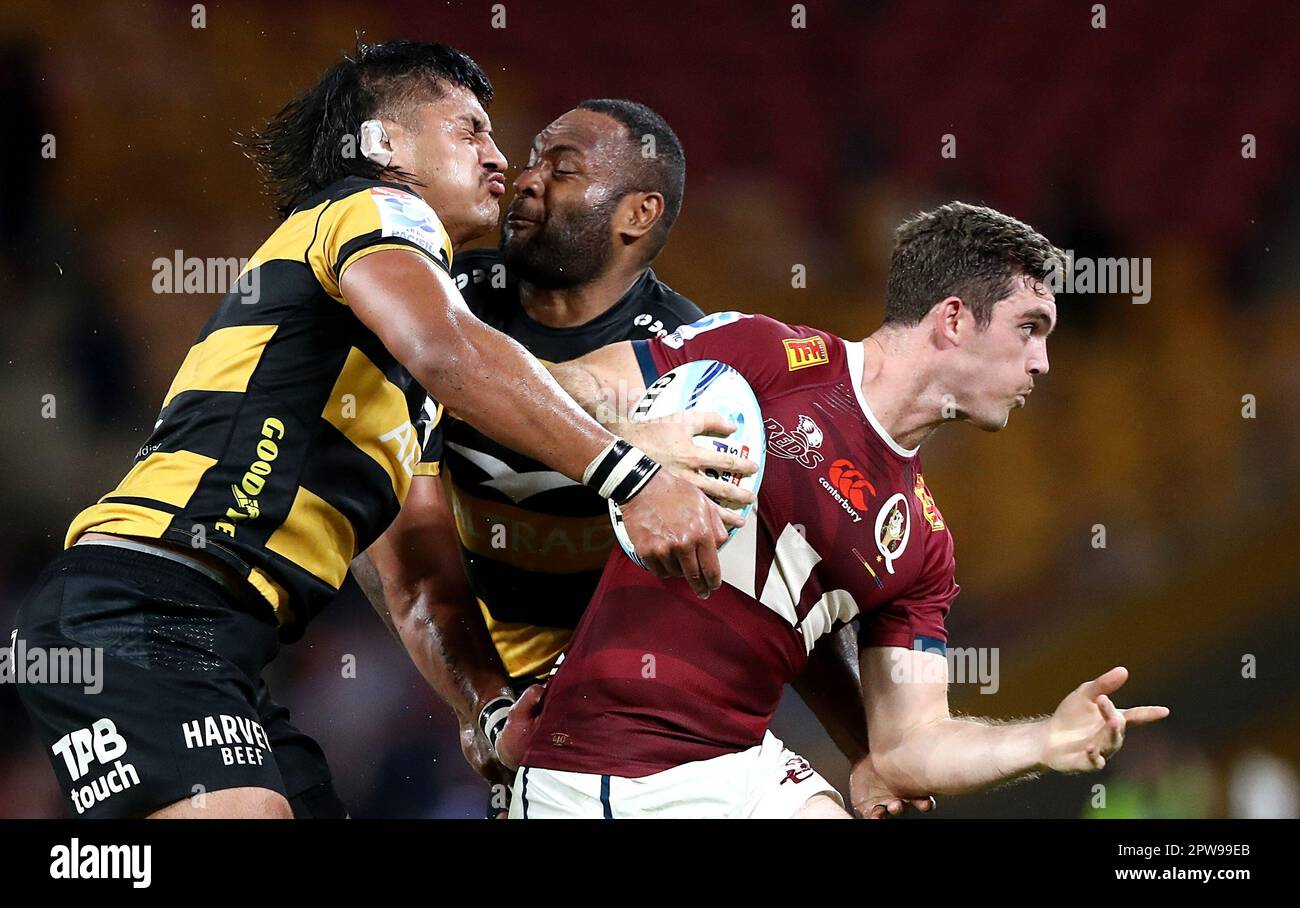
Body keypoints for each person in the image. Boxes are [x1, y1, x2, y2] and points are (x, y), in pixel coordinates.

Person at [12, 41, 739, 820]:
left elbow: (412, 570)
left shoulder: (385, 365)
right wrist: (631, 473)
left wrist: (489, 712)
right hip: (144, 606)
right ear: (384, 146)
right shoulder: (377, 209)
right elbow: (448, 350)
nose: (503, 163)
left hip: (227, 643)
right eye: (469, 132)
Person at [498, 202, 1171, 818]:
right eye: (1029, 329)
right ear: (955, 319)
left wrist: (1042, 740)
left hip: (740, 764)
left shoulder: (923, 543)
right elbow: (564, 384)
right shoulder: (769, 359)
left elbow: (909, 747)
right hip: (603, 764)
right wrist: (632, 439)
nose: (1043, 363)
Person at [357, 99, 901, 817]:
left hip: (656, 694)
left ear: (637, 215)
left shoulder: (704, 372)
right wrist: (483, 708)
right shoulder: (444, 318)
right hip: (515, 691)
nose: (526, 180)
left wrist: (869, 753)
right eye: (534, 160)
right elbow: (399, 545)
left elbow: (777, 585)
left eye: (563, 170)